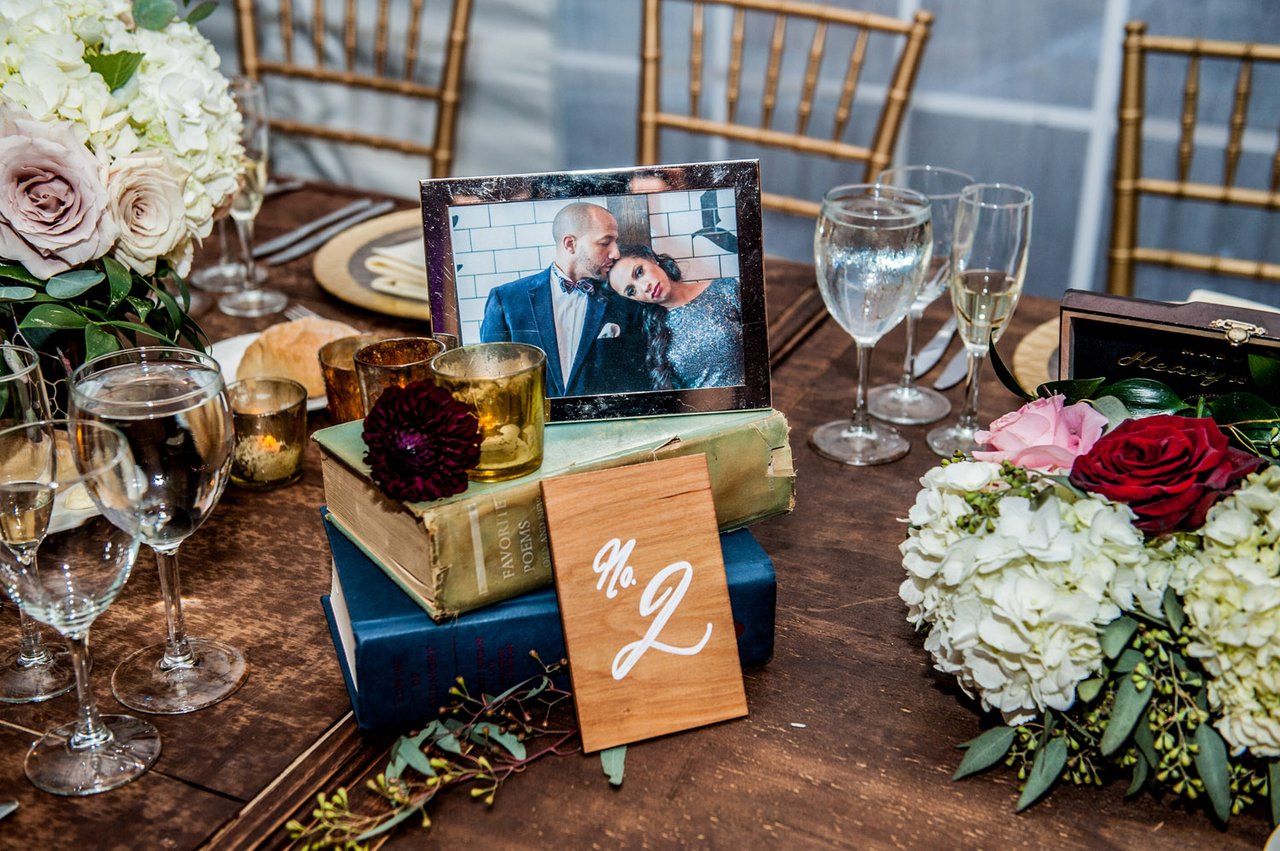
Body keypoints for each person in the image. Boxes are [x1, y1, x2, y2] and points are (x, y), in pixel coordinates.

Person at [479, 203, 651, 397]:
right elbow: (492, 383)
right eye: (605, 243)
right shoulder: (506, 300)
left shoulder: (624, 300)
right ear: (570, 244)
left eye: (615, 242)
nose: (616, 253)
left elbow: (638, 380)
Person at [606, 243, 744, 390]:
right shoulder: (653, 334)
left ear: (651, 259)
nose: (644, 287)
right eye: (631, 291)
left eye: (639, 272)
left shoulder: (725, 290)